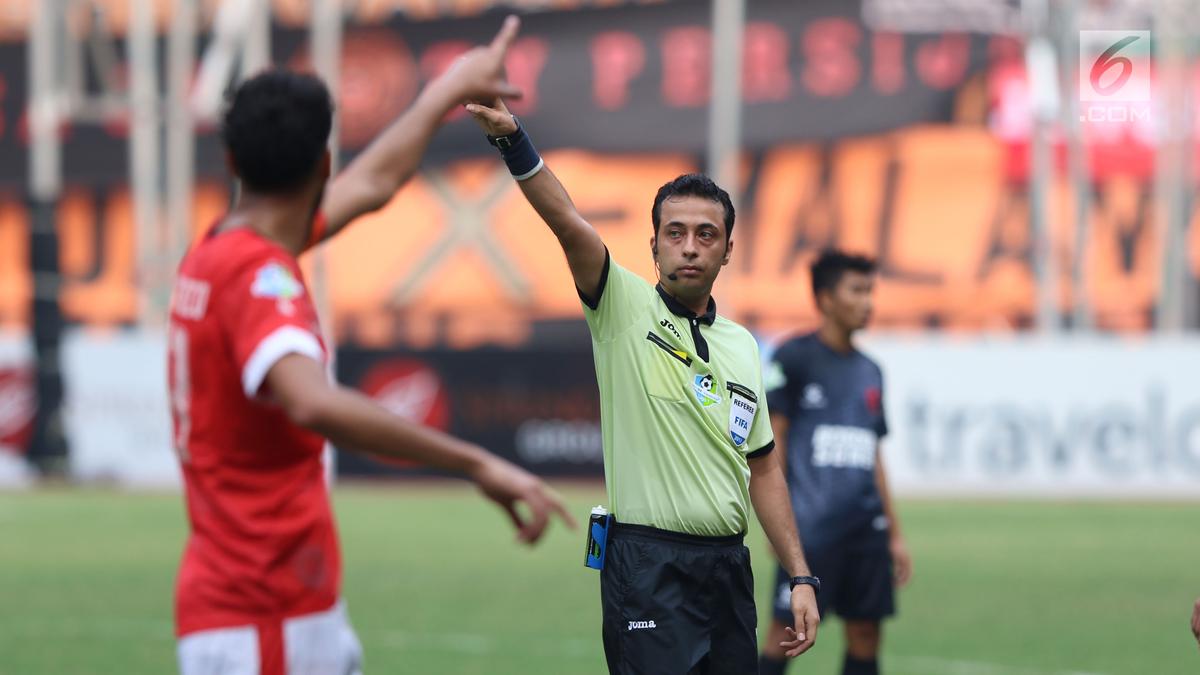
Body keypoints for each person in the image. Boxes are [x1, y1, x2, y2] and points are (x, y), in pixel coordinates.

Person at [168, 17, 573, 675]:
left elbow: (374, 183)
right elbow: (312, 402)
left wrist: (444, 92)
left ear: (233, 161)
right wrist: (477, 462)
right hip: (268, 618)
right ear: (323, 162)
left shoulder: (215, 252)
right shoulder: (259, 275)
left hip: (243, 606)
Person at [465, 99, 820, 674]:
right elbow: (567, 222)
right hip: (648, 566)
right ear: (652, 244)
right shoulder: (622, 306)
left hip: (729, 567)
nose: (689, 245)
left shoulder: (744, 346)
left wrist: (800, 574)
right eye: (674, 232)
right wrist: (514, 141)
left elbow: (765, 468)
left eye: (707, 235)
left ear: (729, 250)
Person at [757, 250, 912, 675]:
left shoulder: (871, 370)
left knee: (866, 636)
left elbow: (873, 455)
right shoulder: (793, 358)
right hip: (811, 531)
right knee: (784, 634)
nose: (868, 302)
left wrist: (894, 535)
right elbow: (774, 442)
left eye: (870, 291)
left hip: (866, 531)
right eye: (857, 291)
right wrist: (779, 523)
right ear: (825, 299)